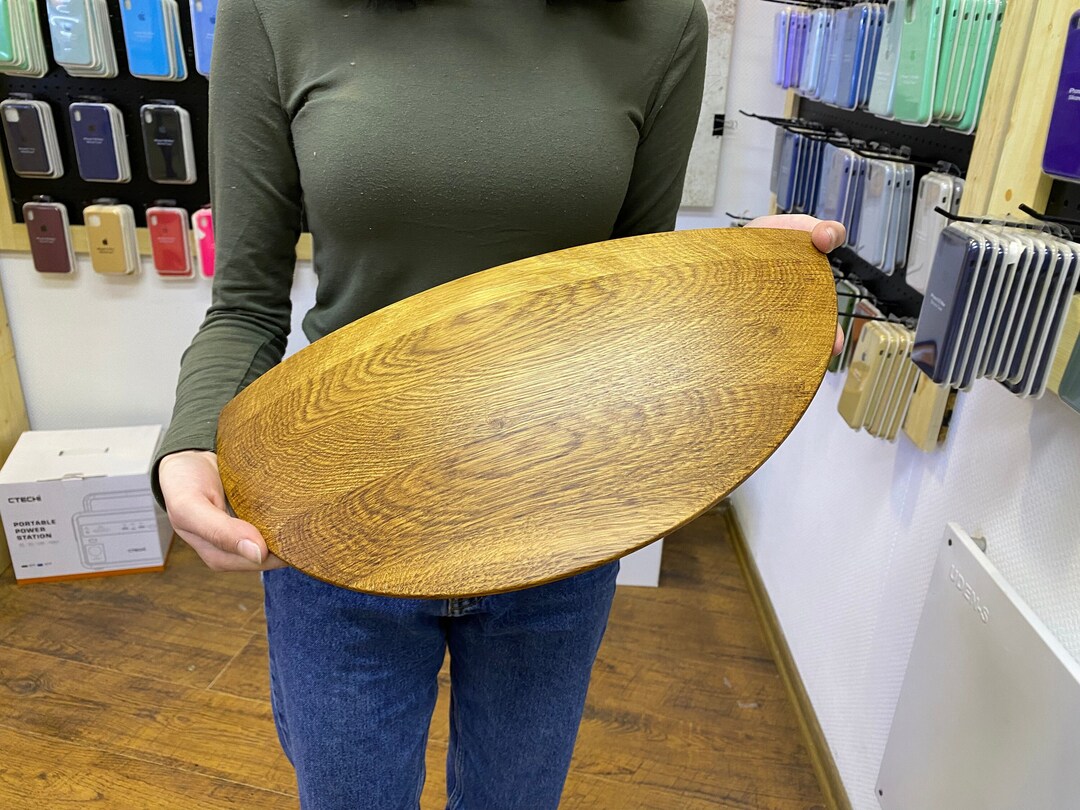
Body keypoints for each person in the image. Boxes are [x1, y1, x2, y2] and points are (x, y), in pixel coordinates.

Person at [154, 0, 846, 807]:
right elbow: (245, 302)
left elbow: (626, 292)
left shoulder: (658, 24)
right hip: (337, 509)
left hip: (557, 515)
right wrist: (191, 440)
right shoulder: (274, 14)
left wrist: (735, 287)